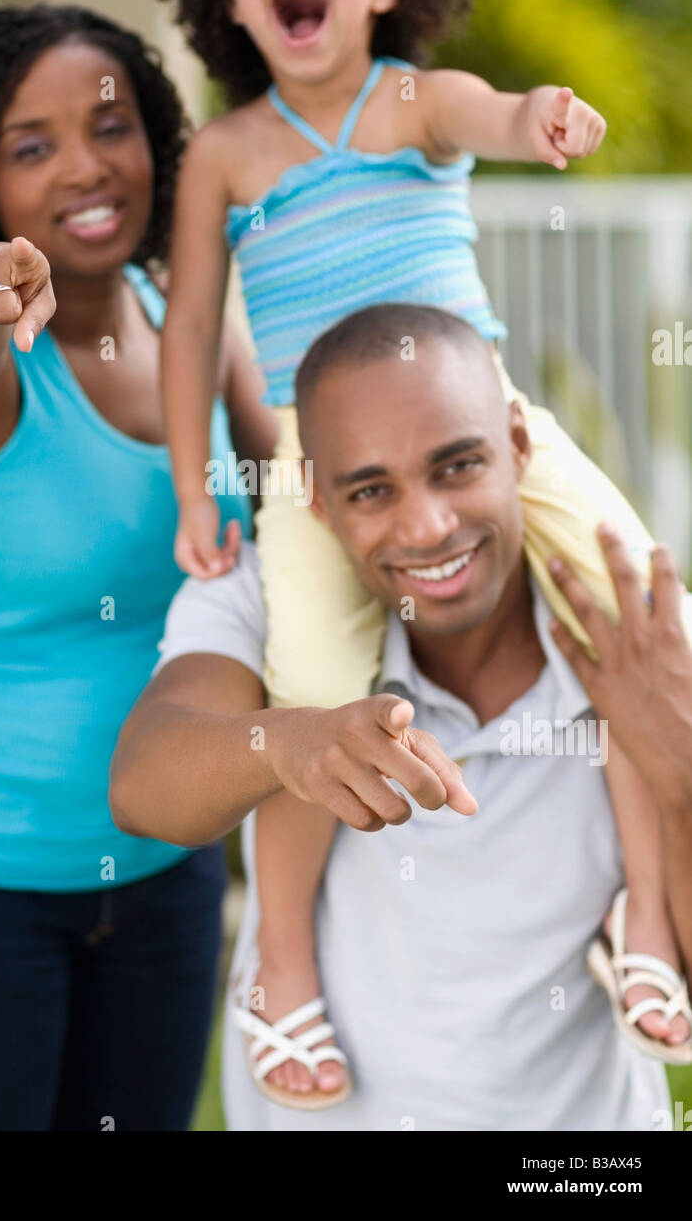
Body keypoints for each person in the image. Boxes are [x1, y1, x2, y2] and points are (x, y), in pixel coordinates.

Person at [147, 0, 687, 1102]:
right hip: (315, 473)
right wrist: (192, 484)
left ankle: (650, 924)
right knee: (308, 700)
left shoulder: (409, 101)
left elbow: (490, 113)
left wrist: (536, 120)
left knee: (621, 610)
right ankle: (284, 966)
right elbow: (188, 328)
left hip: (484, 422)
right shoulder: (226, 154)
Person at [0, 4, 274, 1131]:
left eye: (110, 125)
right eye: (31, 145)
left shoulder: (195, 316)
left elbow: (309, 500)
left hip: (162, 871)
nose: (86, 165)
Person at [111, 302, 692, 1131]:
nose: (427, 527)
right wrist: (287, 742)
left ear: (519, 449)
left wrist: (676, 765)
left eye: (458, 467)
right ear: (317, 503)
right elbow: (142, 784)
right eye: (372, 490)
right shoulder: (269, 608)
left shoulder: (647, 639)